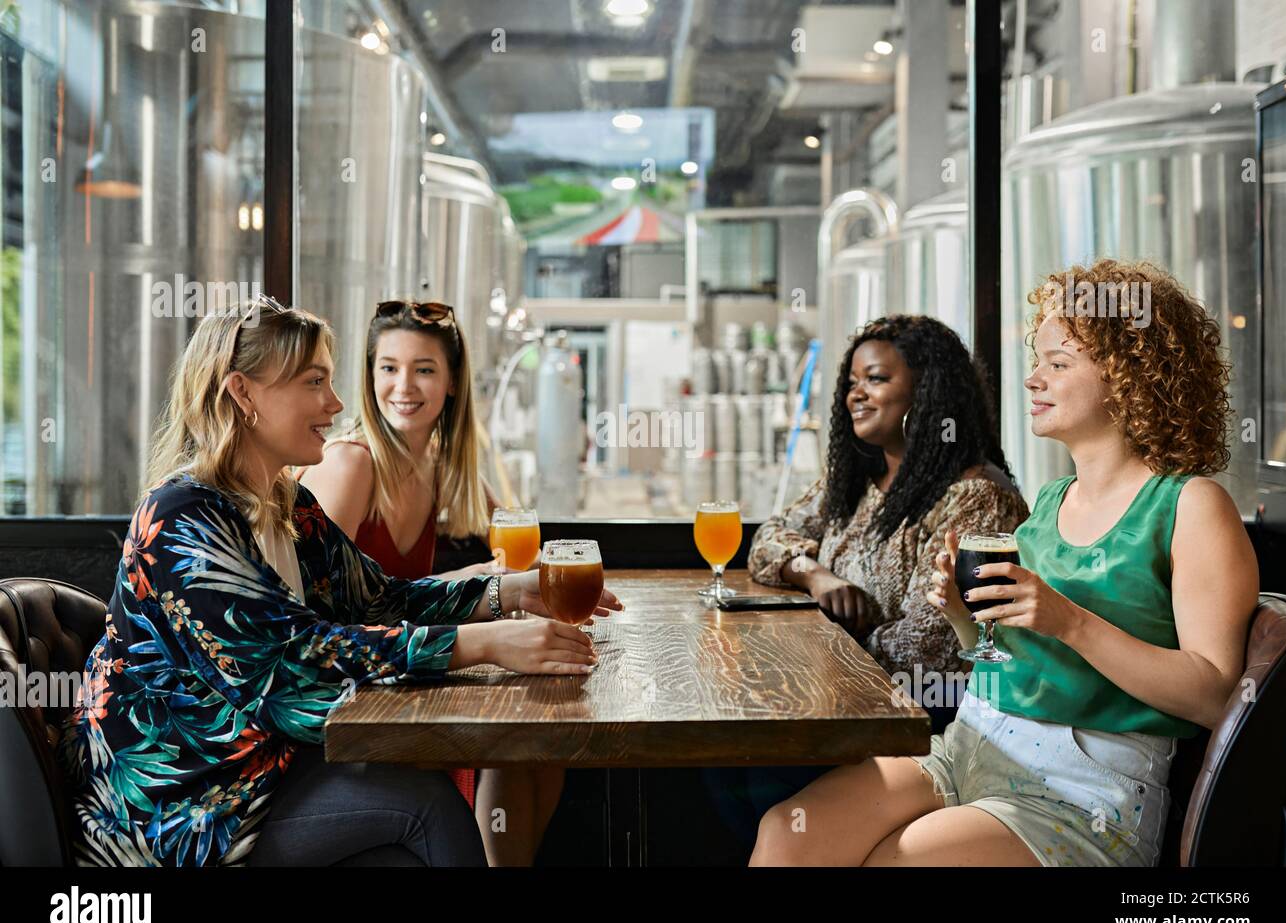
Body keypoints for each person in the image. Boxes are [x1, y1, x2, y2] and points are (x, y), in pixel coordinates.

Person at [57, 297, 620, 867]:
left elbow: (378, 597)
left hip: (262, 770)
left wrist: (506, 592)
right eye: (314, 382)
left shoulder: (286, 504)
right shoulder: (181, 518)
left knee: (413, 823)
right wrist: (485, 644)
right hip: (184, 807)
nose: (337, 402)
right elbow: (289, 664)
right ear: (242, 393)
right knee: (425, 806)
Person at [751, 260, 1258, 867]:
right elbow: (1011, 653)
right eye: (1038, 359)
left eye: (1058, 363)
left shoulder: (1192, 506)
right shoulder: (1050, 500)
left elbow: (1215, 694)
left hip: (1080, 796)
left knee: (897, 861)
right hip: (970, 746)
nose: (1033, 379)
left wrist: (1067, 621)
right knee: (789, 832)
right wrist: (967, 619)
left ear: (1129, 377)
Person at [706, 315, 1028, 846]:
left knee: (749, 768)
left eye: (876, 379)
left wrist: (814, 652)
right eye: (852, 381)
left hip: (919, 716)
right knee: (722, 760)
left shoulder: (974, 497)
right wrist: (816, 577)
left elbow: (930, 647)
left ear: (927, 393)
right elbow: (768, 540)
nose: (857, 393)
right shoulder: (855, 481)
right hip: (837, 700)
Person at [298, 299, 560, 866]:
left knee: (543, 749)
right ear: (369, 380)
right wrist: (478, 580)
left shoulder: (442, 464)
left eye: (423, 369)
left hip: (405, 677)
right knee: (511, 745)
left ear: (451, 383)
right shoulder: (351, 465)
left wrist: (530, 581)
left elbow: (512, 551)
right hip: (348, 695)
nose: (403, 386)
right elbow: (315, 614)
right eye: (388, 367)